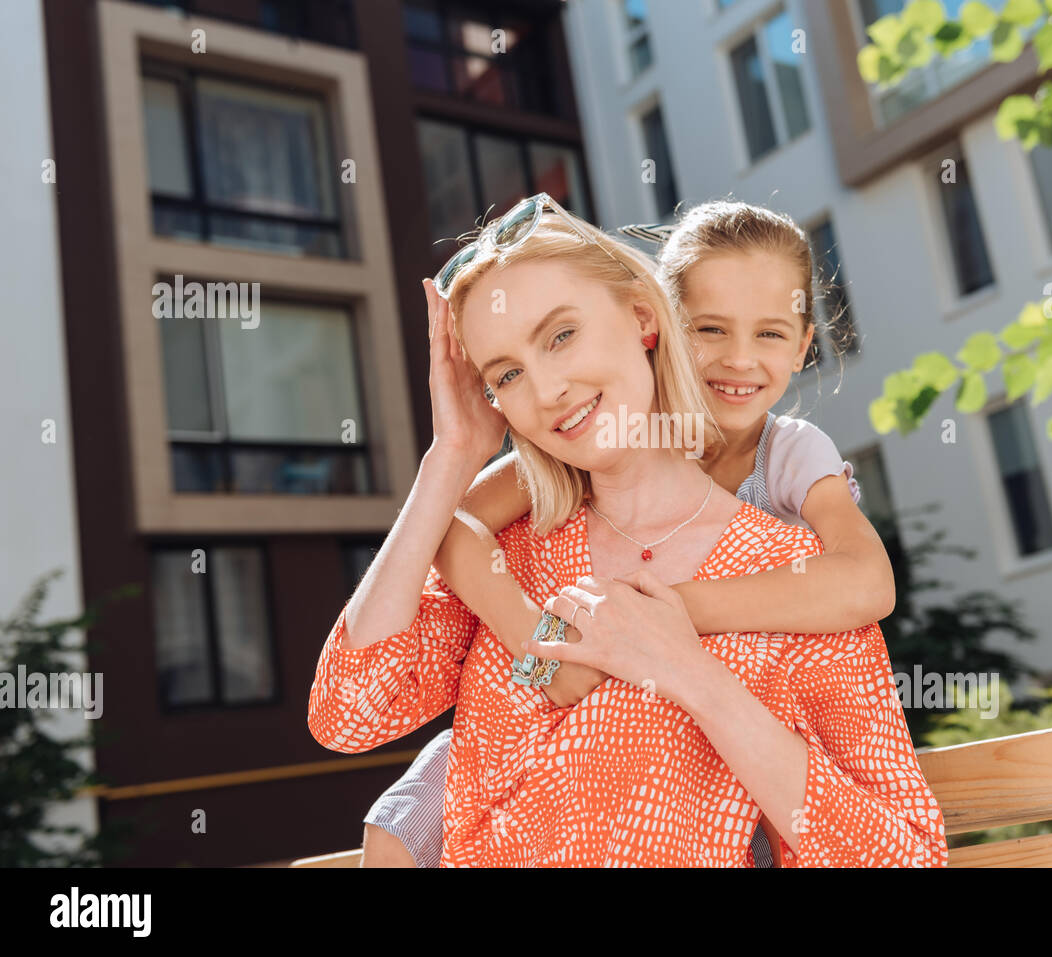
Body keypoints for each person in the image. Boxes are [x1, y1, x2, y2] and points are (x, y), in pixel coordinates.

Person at [308, 193, 947, 867]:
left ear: (643, 315)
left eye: (561, 335)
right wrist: (452, 454)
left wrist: (686, 670)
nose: (548, 387)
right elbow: (348, 712)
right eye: (508, 374)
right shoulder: (510, 556)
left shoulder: (789, 574)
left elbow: (904, 856)